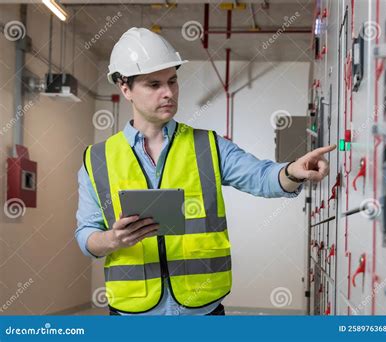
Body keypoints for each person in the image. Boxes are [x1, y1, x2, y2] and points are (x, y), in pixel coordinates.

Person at [75, 27, 336, 316]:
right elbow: (87, 235)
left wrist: (293, 171)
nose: (168, 93)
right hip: (132, 313)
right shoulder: (97, 159)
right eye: (154, 85)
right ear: (125, 88)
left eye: (172, 81)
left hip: (202, 309)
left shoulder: (208, 145)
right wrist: (112, 240)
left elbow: (261, 178)